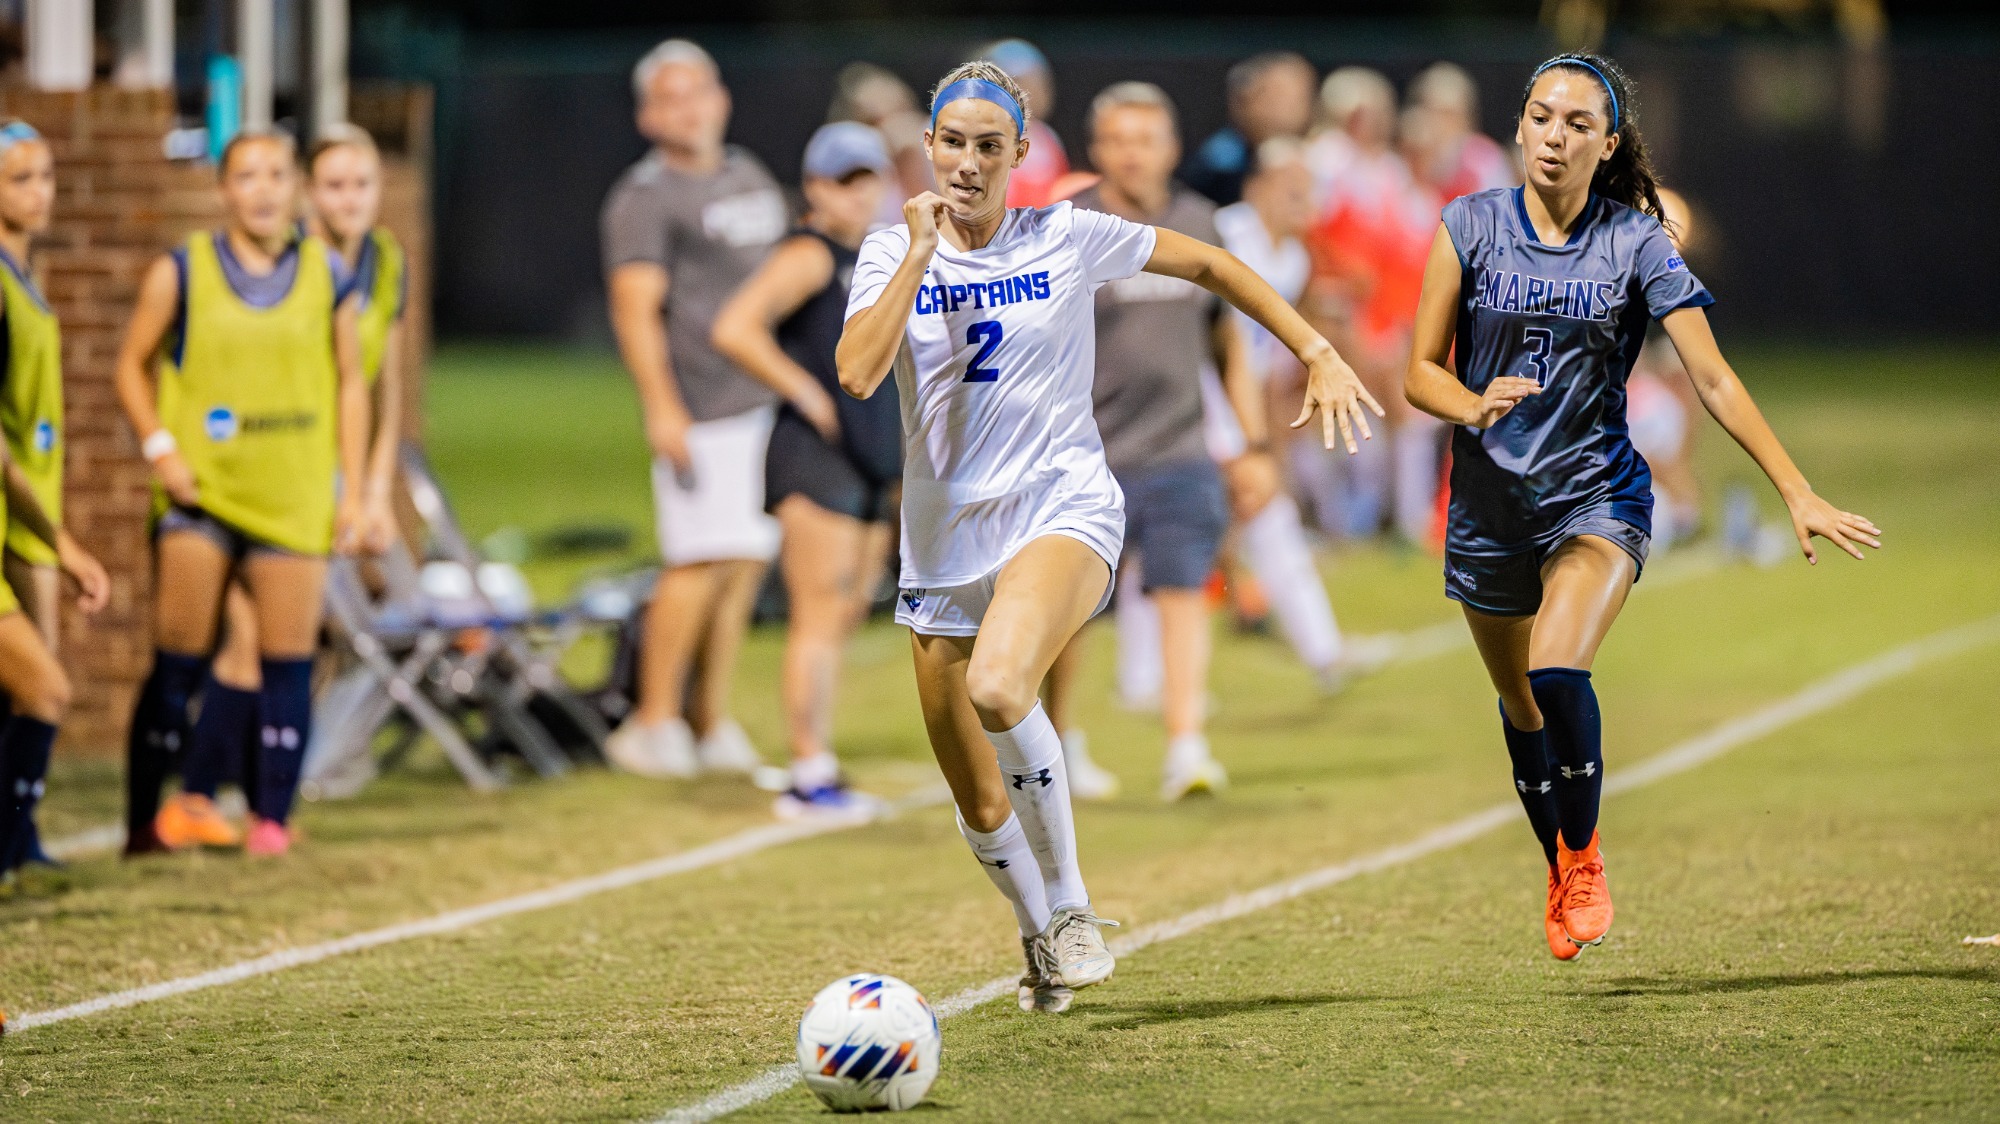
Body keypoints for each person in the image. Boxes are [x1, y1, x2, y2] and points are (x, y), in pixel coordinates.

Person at [836, 62, 1379, 1013]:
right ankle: (1037, 930)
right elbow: (857, 370)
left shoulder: (1065, 234)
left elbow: (1210, 263)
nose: (967, 163)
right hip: (941, 546)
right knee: (978, 801)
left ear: (1019, 153)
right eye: (952, 143)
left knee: (1000, 685)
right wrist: (922, 255)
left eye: (988, 147)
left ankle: (1076, 911)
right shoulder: (890, 254)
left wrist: (1317, 349)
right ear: (927, 148)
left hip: (1063, 508)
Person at [1382, 52, 1880, 961]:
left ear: (1607, 144)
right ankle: (1562, 861)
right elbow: (1417, 372)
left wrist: (1794, 487)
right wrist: (1472, 401)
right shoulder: (1468, 225)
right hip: (1490, 508)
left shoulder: (1638, 241)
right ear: (1520, 127)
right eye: (1541, 117)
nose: (1555, 136)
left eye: (1577, 124)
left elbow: (1715, 379)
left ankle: (1584, 853)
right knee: (1519, 706)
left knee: (1556, 673)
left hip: (1596, 496)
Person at [115, 130, 376, 857]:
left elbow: (354, 381)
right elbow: (130, 366)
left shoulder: (327, 274)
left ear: (296, 187)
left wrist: (353, 492)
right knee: (179, 658)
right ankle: (142, 821)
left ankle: (271, 822)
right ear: (222, 189)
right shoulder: (184, 272)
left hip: (290, 496)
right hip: (202, 496)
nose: (263, 189)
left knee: (288, 661)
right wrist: (160, 447)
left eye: (276, 174)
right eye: (247, 175)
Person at [177, 125, 411, 840]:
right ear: (310, 193)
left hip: (343, 469)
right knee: (260, 637)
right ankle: (221, 793)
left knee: (373, 615)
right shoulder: (293, 262)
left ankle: (250, 789)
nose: (351, 199)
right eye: (335, 185)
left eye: (363, 184)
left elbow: (382, 385)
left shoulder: (383, 260)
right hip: (286, 469)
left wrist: (372, 489)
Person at [1048, 82, 1270, 802]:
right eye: (1119, 139)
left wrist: (1253, 444)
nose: (1133, 154)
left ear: (1172, 148)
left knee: (1183, 594)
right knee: (1069, 616)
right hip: (1088, 459)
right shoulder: (1068, 225)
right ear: (1097, 148)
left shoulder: (1199, 220)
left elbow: (1226, 338)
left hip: (1181, 451)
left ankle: (1186, 747)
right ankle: (1060, 745)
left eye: (1146, 139)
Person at [601, 39, 789, 779]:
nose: (687, 108)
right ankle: (652, 721)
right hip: (702, 403)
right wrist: (662, 407)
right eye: (669, 97)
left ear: (721, 97)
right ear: (649, 115)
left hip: (760, 401)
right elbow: (634, 308)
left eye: (698, 91)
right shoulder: (644, 196)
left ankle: (709, 718)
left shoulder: (747, 173)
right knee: (694, 562)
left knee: (742, 562)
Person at [711, 122, 901, 819]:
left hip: (869, 457)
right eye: (842, 181)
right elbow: (736, 325)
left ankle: (818, 757)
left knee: (848, 610)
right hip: (815, 455)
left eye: (867, 178)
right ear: (816, 189)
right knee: (819, 615)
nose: (857, 194)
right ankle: (807, 771)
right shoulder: (812, 253)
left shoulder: (881, 255)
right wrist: (804, 390)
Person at [1210, 137, 1372, 690]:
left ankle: (1143, 680)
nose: (1303, 195)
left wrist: (1263, 432)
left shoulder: (1292, 256)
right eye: (1289, 184)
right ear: (1256, 188)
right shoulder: (1228, 235)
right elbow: (1218, 338)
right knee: (1167, 529)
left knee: (1232, 523)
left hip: (1233, 403)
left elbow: (1262, 359)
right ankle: (1322, 652)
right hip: (1195, 397)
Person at [0, 121, 111, 873]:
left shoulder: (24, 272)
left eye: (44, 176)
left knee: (29, 690)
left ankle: (20, 839)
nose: (38, 193)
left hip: (24, 509)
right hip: (21, 512)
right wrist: (65, 538)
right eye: (19, 178)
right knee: (45, 688)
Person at [1304, 67, 1443, 545]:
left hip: (1380, 309)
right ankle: (1337, 516)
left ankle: (1388, 515)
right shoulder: (1325, 160)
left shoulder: (1387, 171)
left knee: (1392, 409)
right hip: (1329, 305)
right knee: (1334, 412)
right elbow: (1314, 234)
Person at [1182, 52, 1317, 207]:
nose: (1289, 108)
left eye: (1298, 97)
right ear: (1247, 100)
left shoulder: (1321, 155)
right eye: (1277, 96)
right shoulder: (1223, 157)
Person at [975, 40, 1071, 208]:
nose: (1031, 90)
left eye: (1037, 81)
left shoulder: (1047, 137)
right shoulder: (974, 139)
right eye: (1020, 82)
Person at [1406, 62, 1517, 201]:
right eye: (1431, 111)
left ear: (1467, 118)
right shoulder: (1405, 160)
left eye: (1448, 114)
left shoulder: (1483, 161)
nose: (1438, 122)